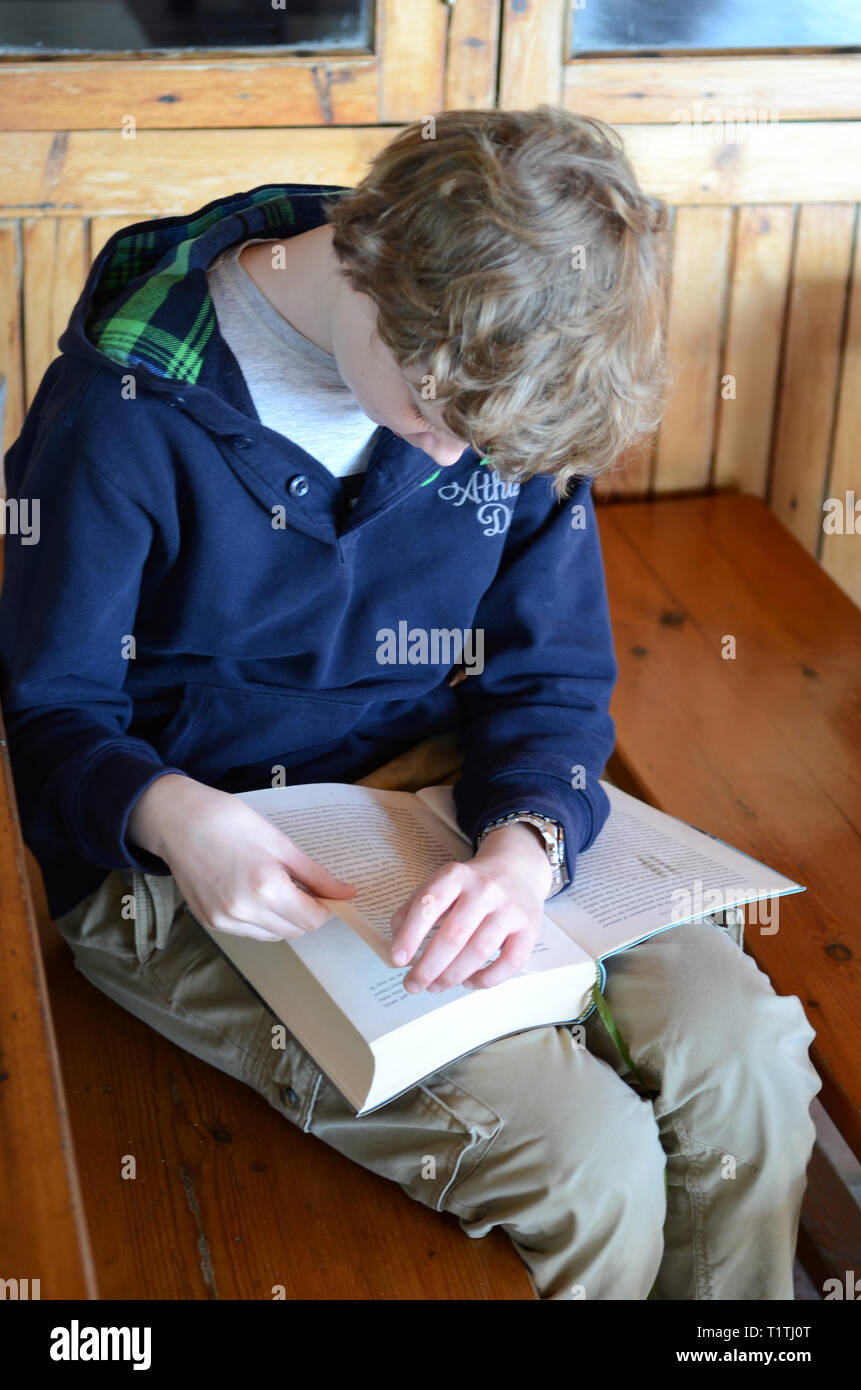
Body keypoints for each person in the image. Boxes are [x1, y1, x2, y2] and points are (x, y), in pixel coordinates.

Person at [0, 106, 820, 1300]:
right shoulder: (119, 417)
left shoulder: (497, 388)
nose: (446, 463)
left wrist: (527, 844)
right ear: (372, 277)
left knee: (744, 1060)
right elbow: (49, 716)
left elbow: (548, 677)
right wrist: (174, 818)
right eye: (435, 421)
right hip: (183, 861)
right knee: (594, 1168)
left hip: (440, 804)